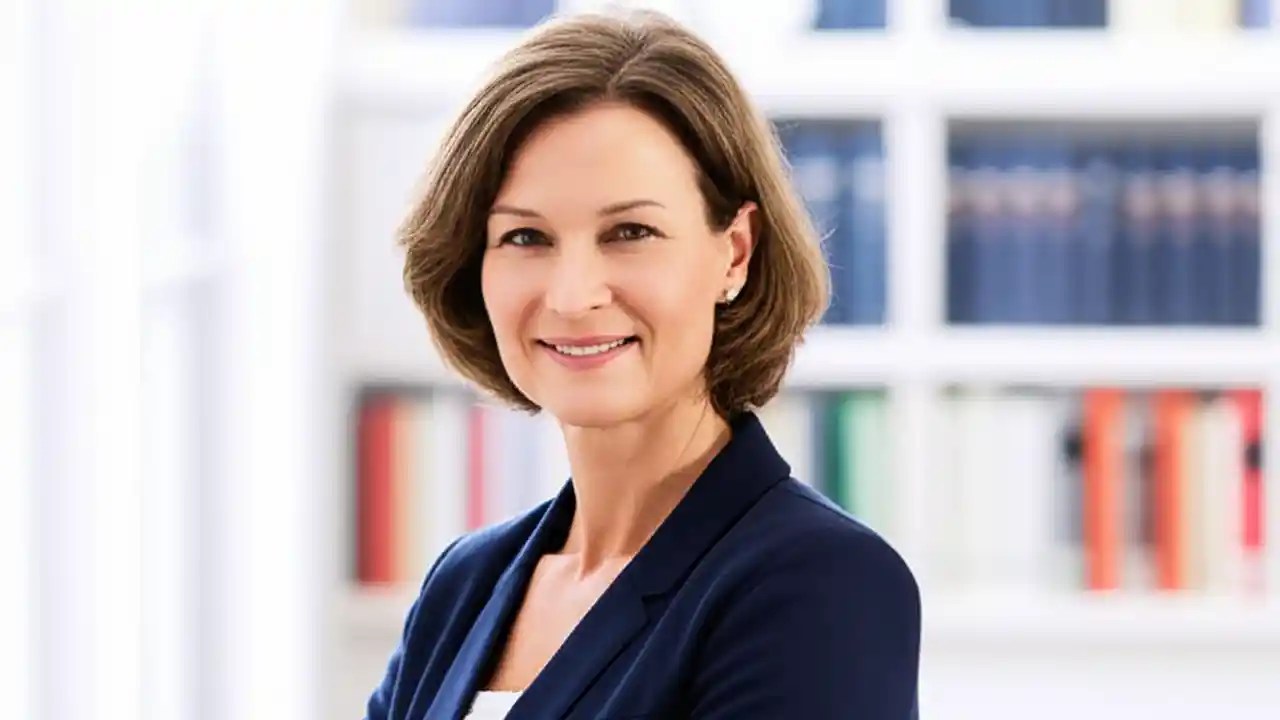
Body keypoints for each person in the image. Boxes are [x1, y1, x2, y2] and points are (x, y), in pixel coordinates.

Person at [365, 10, 920, 720]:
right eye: (525, 236)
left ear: (736, 252)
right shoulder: (463, 586)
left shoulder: (821, 585)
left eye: (630, 232)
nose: (572, 295)